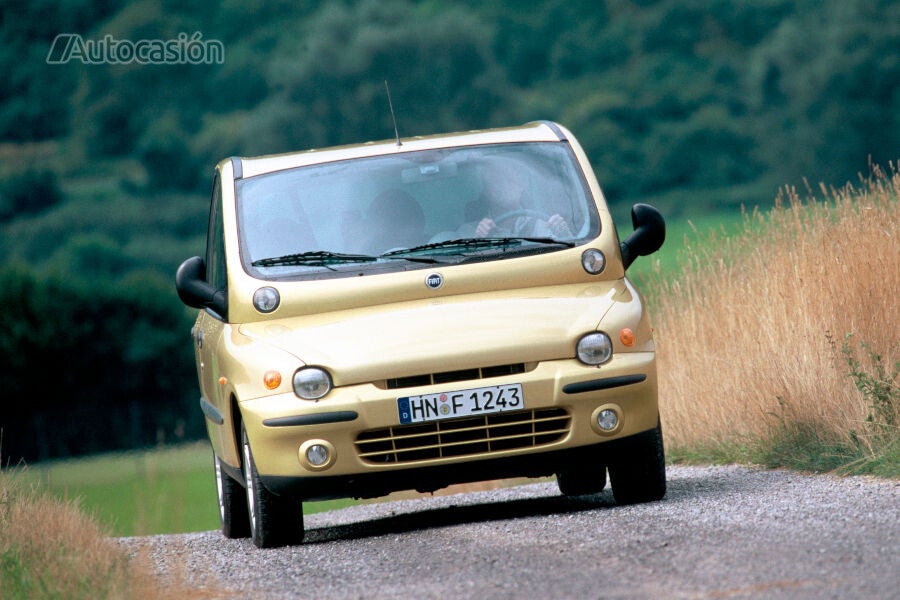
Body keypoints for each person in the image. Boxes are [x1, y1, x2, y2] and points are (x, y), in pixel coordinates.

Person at [471, 157, 572, 238]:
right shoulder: (470, 231)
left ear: (521, 187)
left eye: (511, 181)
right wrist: (478, 239)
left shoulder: (541, 225)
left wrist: (564, 234)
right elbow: (465, 255)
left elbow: (564, 252)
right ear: (486, 191)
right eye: (498, 182)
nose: (507, 187)